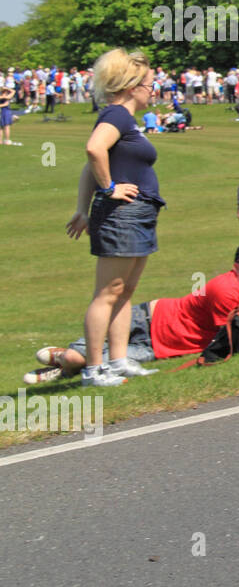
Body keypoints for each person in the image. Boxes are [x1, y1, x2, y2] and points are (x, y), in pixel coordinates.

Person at [27, 240, 239, 384]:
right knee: (82, 353)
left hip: (158, 348)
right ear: (238, 266)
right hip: (149, 317)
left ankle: (65, 367)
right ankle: (66, 361)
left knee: (81, 359)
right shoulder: (226, 288)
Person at [64, 49, 166, 387]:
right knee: (108, 292)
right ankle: (94, 369)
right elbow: (94, 149)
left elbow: (87, 167)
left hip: (136, 214)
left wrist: (82, 208)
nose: (154, 90)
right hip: (121, 216)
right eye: (150, 84)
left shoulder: (124, 119)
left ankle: (119, 360)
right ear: (132, 85)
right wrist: (109, 188)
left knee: (125, 290)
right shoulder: (117, 115)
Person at [0, 79, 17, 146]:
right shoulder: (5, 96)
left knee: (4, 127)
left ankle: (5, 140)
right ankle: (4, 140)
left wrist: (5, 88)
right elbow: (13, 92)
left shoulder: (6, 96)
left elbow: (13, 91)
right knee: (4, 127)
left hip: (5, 112)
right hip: (4, 112)